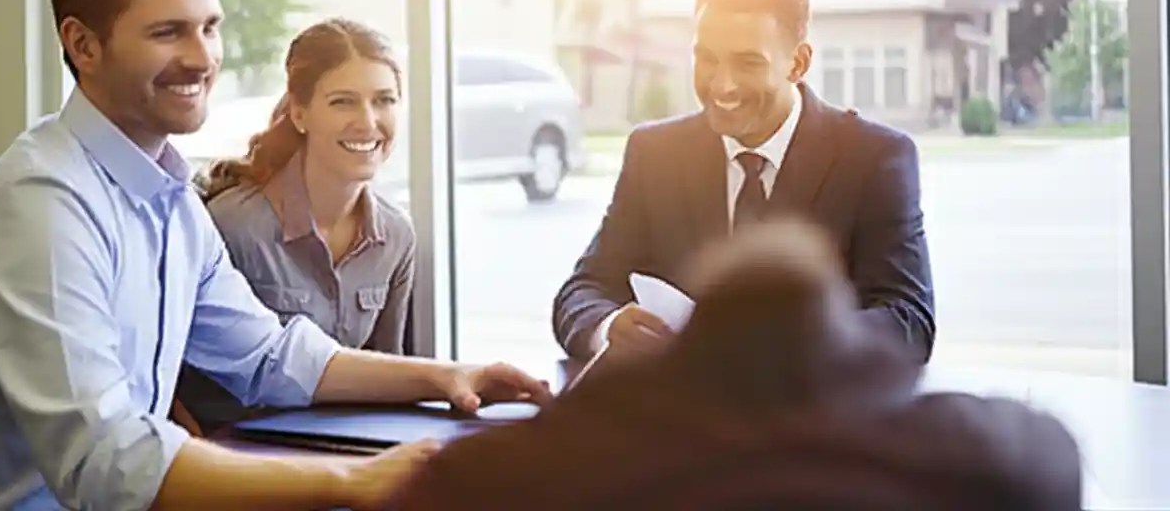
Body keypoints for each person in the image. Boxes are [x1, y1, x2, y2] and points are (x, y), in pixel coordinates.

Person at [0, 0, 550, 511]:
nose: (203, 57)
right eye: (167, 32)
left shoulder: (171, 199)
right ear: (83, 46)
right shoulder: (40, 205)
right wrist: (354, 481)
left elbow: (269, 355)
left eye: (209, 27)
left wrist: (447, 376)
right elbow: (106, 463)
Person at [393, 219, 1081, 511]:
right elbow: (584, 287)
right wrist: (608, 326)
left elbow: (909, 312)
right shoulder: (1002, 461)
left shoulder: (510, 474)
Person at [552, 0, 935, 363]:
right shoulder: (655, 153)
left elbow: (910, 320)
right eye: (707, 60)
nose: (722, 85)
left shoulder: (873, 158)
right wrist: (609, 327)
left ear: (798, 63)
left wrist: (802, 337)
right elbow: (582, 291)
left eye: (747, 63)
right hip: (681, 413)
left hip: (812, 412)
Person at [178, 19, 415, 433]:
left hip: (345, 459)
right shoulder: (232, 226)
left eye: (384, 100)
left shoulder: (396, 237)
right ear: (299, 112)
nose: (368, 121)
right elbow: (171, 383)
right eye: (343, 102)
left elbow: (390, 376)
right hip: (236, 463)